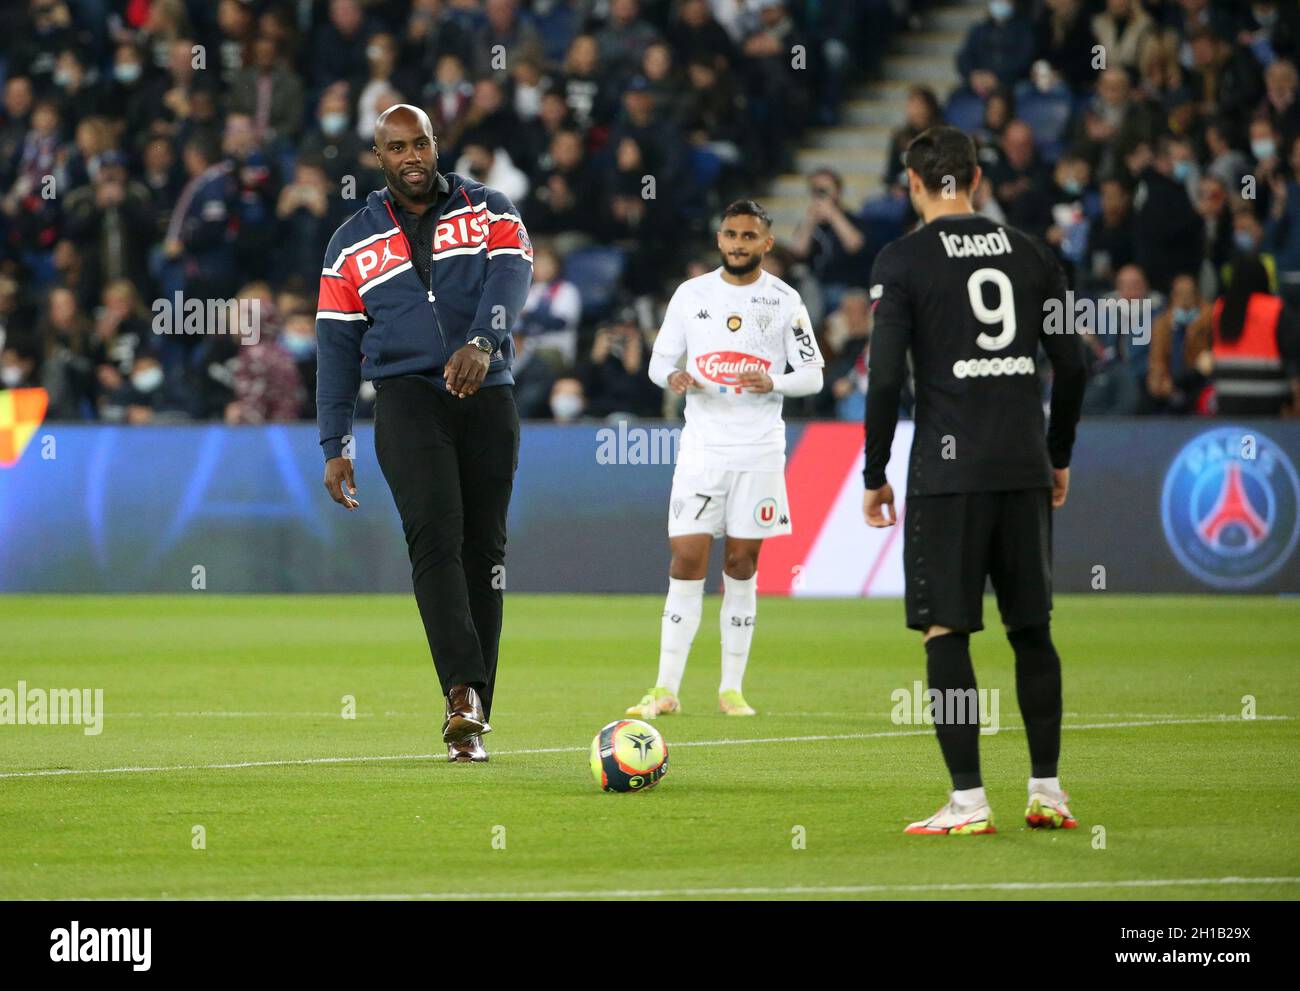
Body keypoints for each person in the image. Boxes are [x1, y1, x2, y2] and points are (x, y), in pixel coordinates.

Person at [861, 126, 1087, 836]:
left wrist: (875, 472)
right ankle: (1048, 791)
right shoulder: (1032, 253)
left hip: (948, 473)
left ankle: (968, 800)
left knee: (945, 630)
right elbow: (1074, 365)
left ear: (914, 184)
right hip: (1022, 463)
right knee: (1032, 629)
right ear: (978, 179)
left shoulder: (903, 261)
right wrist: (1057, 454)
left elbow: (886, 377)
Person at [316, 104, 533, 764]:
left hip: (487, 390)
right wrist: (335, 442)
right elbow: (335, 346)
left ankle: (476, 715)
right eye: (396, 146)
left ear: (436, 145)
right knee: (434, 534)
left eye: (421, 142)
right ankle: (461, 692)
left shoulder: (490, 206)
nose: (411, 155)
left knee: (484, 552)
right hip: (406, 397)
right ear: (377, 158)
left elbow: (512, 274)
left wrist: (481, 341)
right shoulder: (350, 241)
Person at [626, 200, 824, 720]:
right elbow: (658, 362)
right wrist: (672, 377)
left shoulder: (784, 301)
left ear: (767, 243)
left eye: (749, 236)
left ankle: (731, 688)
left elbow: (813, 374)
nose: (739, 243)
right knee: (685, 561)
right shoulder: (692, 296)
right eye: (731, 234)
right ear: (720, 240)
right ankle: (665, 688)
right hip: (702, 450)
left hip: (758, 452)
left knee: (741, 565)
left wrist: (775, 380)